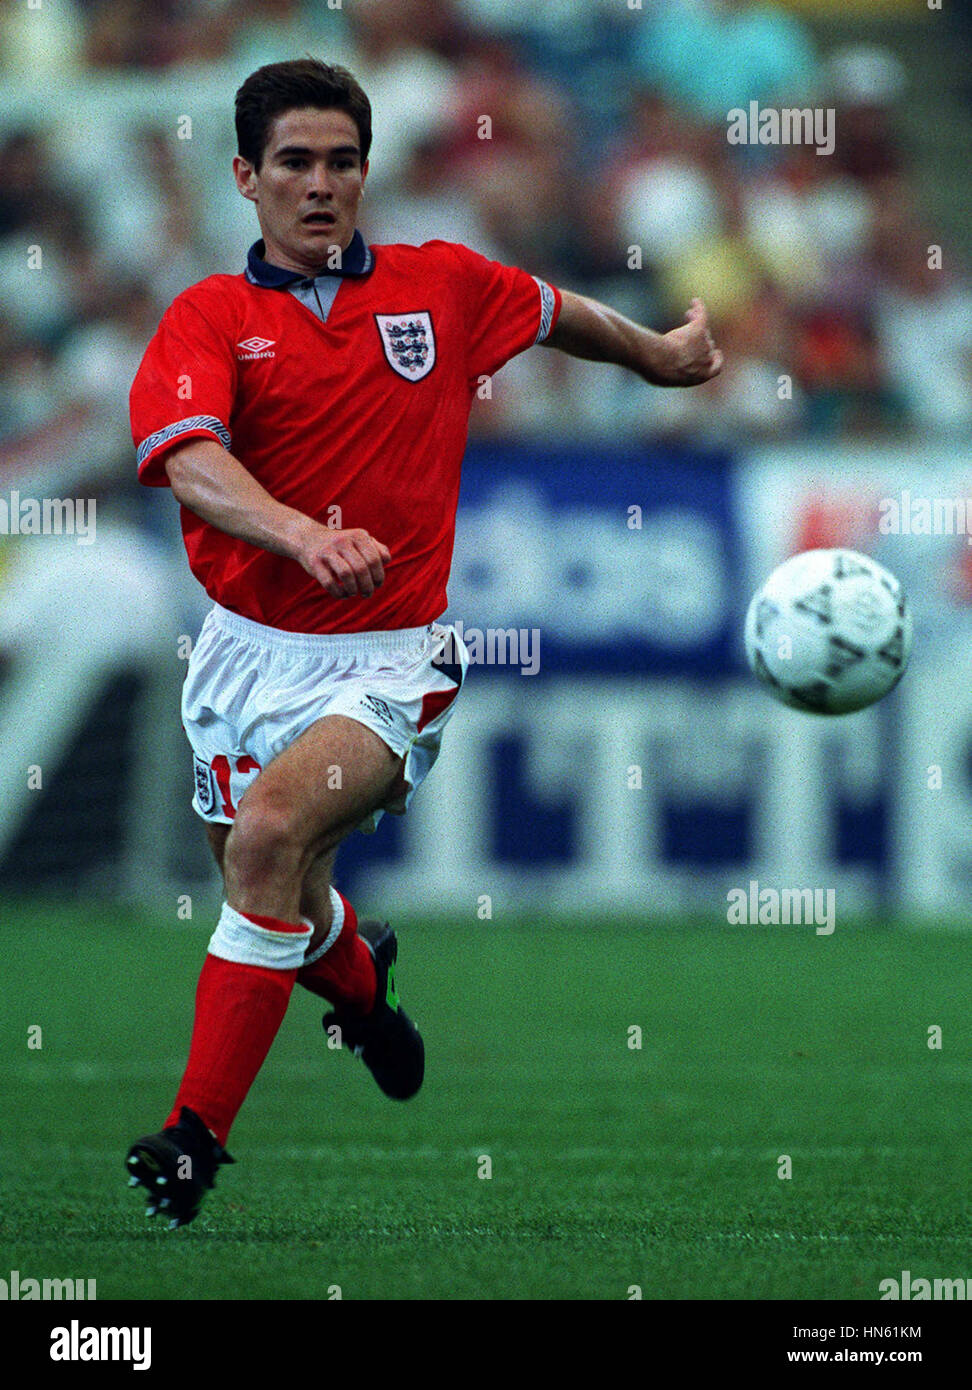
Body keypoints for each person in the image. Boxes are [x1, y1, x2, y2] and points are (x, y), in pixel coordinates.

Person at [125, 58, 723, 1228]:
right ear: (245, 176)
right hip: (243, 653)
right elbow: (186, 461)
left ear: (366, 172)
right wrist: (299, 533)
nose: (321, 184)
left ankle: (193, 1141)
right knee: (281, 897)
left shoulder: (436, 287)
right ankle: (364, 984)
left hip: (391, 659)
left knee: (266, 842)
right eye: (294, 162)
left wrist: (655, 353)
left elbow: (554, 310)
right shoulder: (211, 316)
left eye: (342, 161)